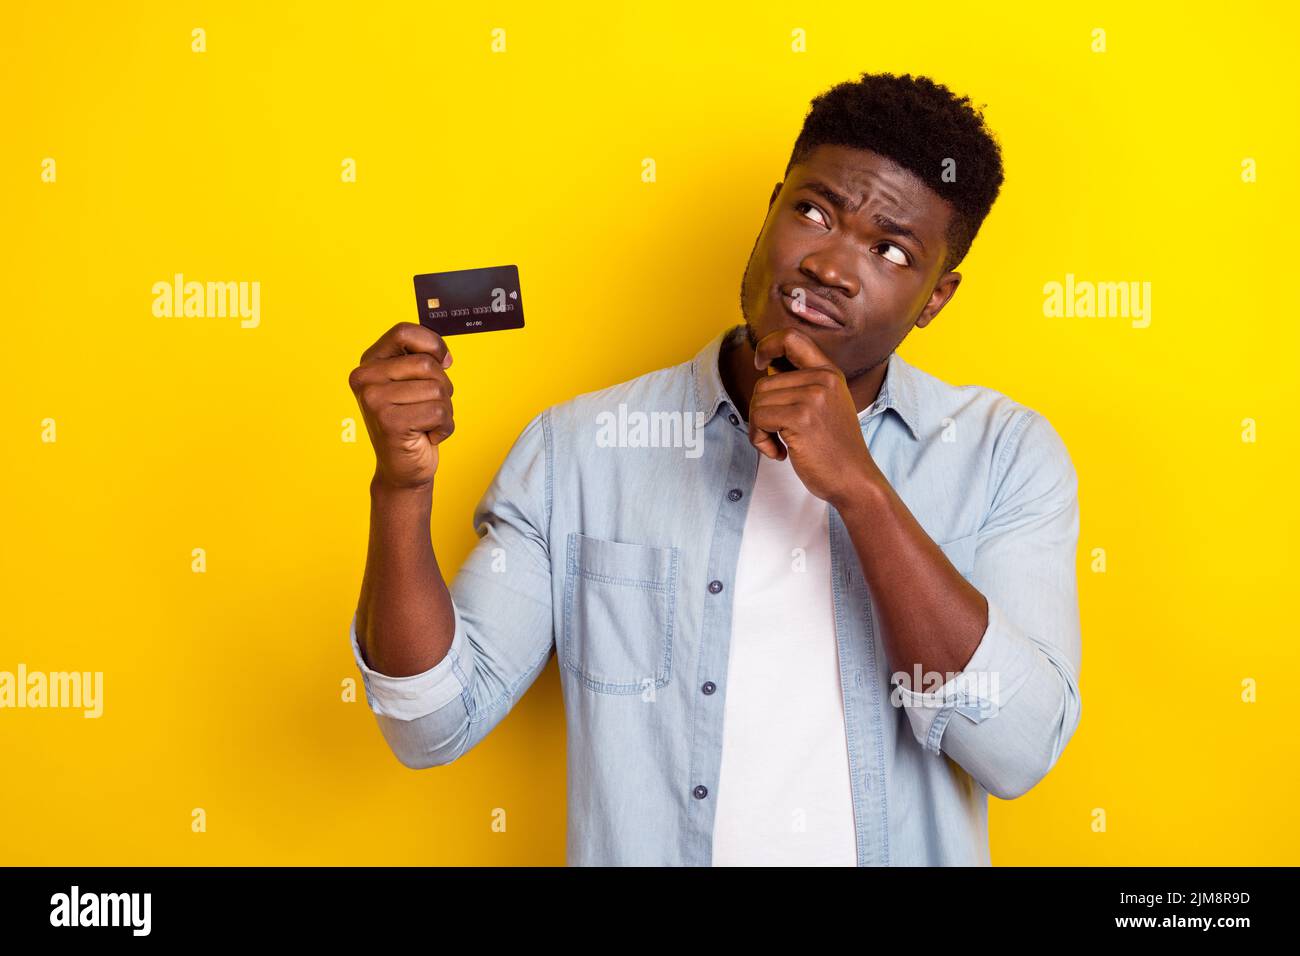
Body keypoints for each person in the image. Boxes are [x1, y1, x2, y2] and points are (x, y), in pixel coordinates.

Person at [345, 71, 1082, 866]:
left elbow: (1016, 747)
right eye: (813, 211)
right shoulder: (582, 451)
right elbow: (430, 724)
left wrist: (861, 491)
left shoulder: (1004, 453)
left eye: (890, 250)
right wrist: (402, 489)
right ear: (770, 211)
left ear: (935, 299)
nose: (832, 267)